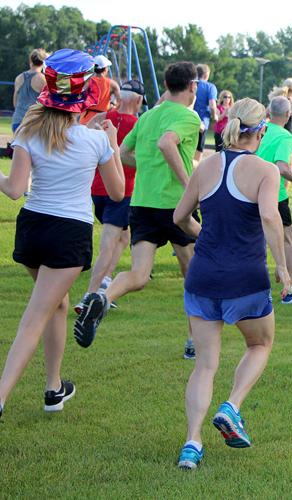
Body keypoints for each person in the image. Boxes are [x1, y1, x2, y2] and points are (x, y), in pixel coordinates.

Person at [0, 49, 124, 420]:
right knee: (36, 315)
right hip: (68, 234)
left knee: (56, 304)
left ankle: (53, 388)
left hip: (33, 229)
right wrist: (113, 143)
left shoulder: (28, 132)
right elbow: (117, 193)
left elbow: (15, 189)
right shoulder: (96, 140)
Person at [172, 98, 291, 470]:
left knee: (205, 365)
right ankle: (232, 406)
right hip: (245, 278)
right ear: (262, 131)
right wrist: (284, 269)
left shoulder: (205, 166)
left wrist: (205, 232)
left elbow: (180, 217)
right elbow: (271, 219)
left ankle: (192, 442)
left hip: (203, 275)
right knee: (260, 343)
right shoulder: (265, 170)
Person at [74, 62, 202, 358]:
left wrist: (148, 165)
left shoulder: (148, 117)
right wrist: (188, 186)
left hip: (142, 203)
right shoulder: (188, 117)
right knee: (193, 274)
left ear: (168, 85)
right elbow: (167, 143)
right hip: (174, 205)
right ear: (192, 87)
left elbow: (122, 152)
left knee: (139, 274)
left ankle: (101, 298)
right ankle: (194, 341)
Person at [74, 81, 146, 313]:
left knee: (123, 239)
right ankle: (89, 295)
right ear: (137, 101)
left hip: (97, 189)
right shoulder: (139, 124)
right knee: (108, 245)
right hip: (122, 192)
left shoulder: (101, 118)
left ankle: (105, 280)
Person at [257, 96, 292, 304]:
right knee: (286, 238)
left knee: (256, 240)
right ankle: (288, 287)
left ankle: (257, 288)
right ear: (288, 115)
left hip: (251, 191)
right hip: (275, 195)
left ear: (268, 112)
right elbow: (282, 166)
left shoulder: (259, 129)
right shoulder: (285, 137)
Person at [11, 48, 47, 134]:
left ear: (30, 60)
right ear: (43, 62)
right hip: (33, 123)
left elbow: (15, 103)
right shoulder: (44, 80)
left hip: (17, 122)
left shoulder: (19, 78)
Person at [79, 55, 121, 125]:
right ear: (105, 69)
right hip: (103, 120)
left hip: (86, 120)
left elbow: (79, 98)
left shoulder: (87, 82)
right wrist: (113, 107)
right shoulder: (113, 84)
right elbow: (120, 101)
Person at [193, 64, 219, 163]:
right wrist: (214, 116)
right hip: (202, 123)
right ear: (206, 74)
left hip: (187, 120)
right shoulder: (210, 87)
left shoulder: (191, 84)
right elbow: (212, 105)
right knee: (198, 152)